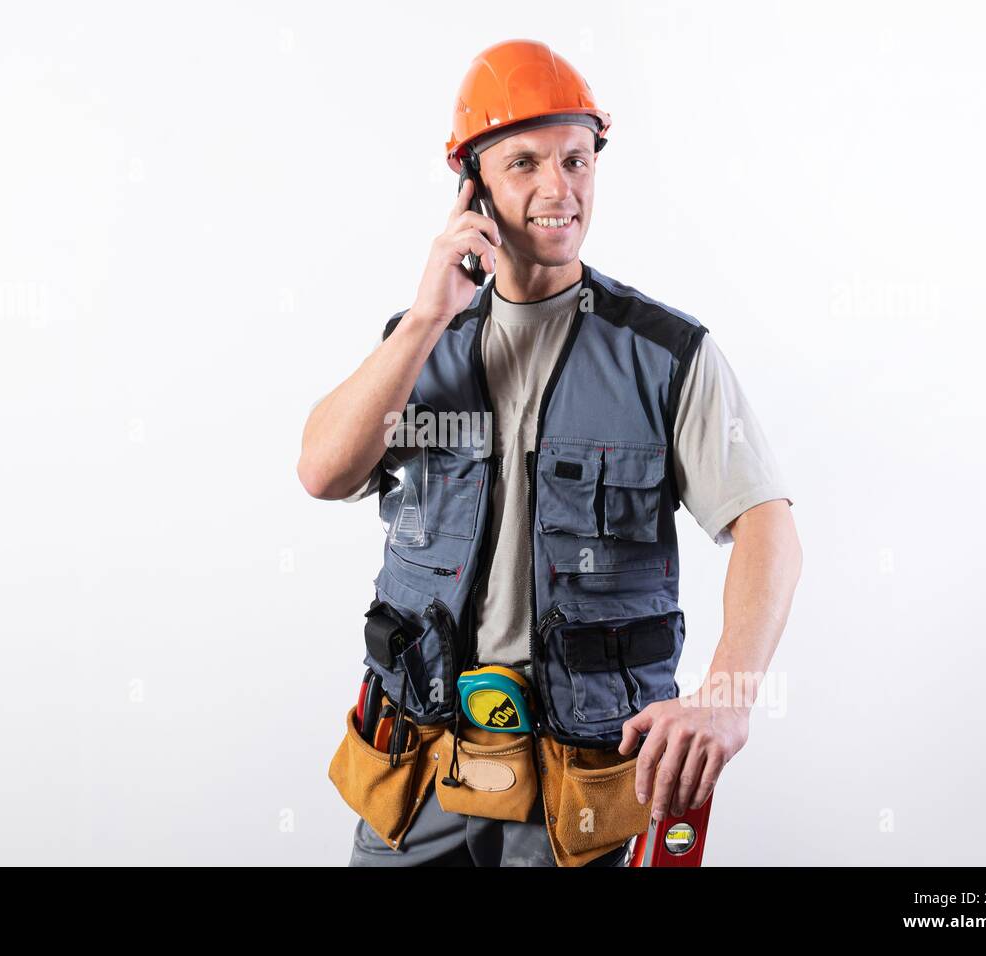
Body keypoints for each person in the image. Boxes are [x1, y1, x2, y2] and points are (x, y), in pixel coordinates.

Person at [299, 39, 802, 867]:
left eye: (576, 158)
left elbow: (767, 527)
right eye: (524, 162)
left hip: (585, 785)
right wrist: (426, 318)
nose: (558, 188)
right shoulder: (417, 348)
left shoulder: (665, 355)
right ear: (472, 187)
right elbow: (322, 470)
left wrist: (728, 696)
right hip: (417, 765)